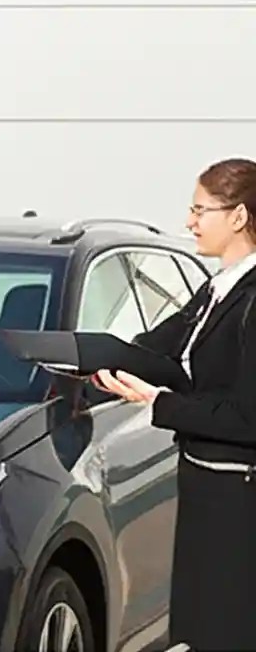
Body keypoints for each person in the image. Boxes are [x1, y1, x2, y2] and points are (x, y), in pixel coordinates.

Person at [95, 157, 256, 651]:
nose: (189, 222)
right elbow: (157, 350)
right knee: (198, 630)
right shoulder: (216, 289)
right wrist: (90, 360)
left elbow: (247, 418)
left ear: (239, 216)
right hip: (206, 487)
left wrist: (159, 403)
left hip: (239, 499)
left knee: (226, 630)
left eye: (200, 210)